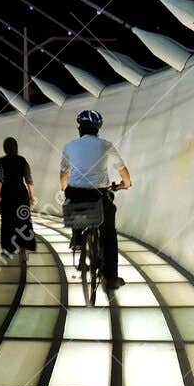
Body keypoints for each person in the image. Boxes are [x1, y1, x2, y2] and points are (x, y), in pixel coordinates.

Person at [60, 109, 132, 290]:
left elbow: (63, 175)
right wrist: (125, 183)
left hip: (75, 195)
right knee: (109, 233)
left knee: (72, 201)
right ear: (98, 129)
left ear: (80, 128)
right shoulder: (106, 145)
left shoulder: (69, 146)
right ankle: (111, 278)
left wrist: (65, 188)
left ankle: (77, 236)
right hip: (98, 194)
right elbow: (122, 170)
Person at [0, 137, 37, 257]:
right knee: (24, 219)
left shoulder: (0, 162)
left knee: (7, 221)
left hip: (6, 195)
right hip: (21, 194)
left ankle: (9, 249)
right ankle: (25, 246)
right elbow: (29, 180)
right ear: (16, 148)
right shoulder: (22, 161)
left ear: (5, 149)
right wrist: (32, 196)